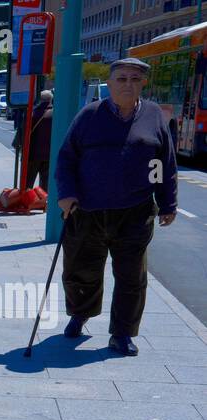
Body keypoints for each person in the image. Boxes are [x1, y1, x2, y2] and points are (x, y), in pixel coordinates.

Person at [54, 58, 177, 356]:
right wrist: (67, 194)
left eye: (135, 79)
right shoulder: (89, 115)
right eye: (121, 79)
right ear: (109, 84)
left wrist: (167, 202)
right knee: (81, 270)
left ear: (143, 84)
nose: (128, 84)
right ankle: (80, 314)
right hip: (87, 211)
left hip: (134, 212)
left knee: (132, 277)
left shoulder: (153, 117)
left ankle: (122, 333)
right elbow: (67, 158)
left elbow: (162, 163)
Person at [11, 90, 53, 189]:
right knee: (45, 188)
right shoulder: (55, 115)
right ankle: (42, 204)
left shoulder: (32, 114)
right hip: (49, 156)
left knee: (27, 185)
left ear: (39, 100)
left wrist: (18, 144)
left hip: (31, 155)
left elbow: (22, 133)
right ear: (51, 100)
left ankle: (27, 203)